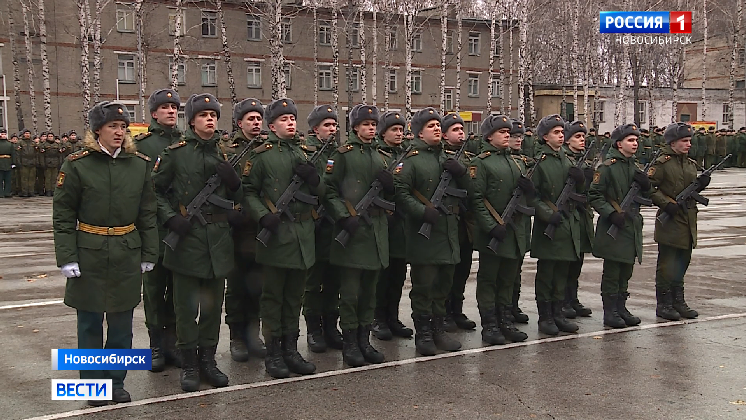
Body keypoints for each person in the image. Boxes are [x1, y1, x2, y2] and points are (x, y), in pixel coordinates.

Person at [53, 101, 158, 406]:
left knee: (121, 325)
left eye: (123, 127)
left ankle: (116, 382)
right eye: (113, 126)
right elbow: (63, 214)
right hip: (89, 252)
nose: (119, 132)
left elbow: (147, 212)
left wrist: (149, 251)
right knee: (88, 324)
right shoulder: (77, 164)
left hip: (126, 250)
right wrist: (67, 257)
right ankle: (91, 387)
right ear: (97, 129)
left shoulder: (138, 164)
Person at [152, 93, 239, 392]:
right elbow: (154, 192)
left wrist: (234, 184)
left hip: (217, 241)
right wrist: (170, 218)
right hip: (187, 240)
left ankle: (208, 361)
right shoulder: (175, 152)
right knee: (186, 308)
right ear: (191, 120)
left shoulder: (226, 154)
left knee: (213, 308)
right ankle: (189, 363)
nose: (210, 119)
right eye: (203, 115)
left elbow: (238, 200)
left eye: (213, 115)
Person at [243, 98, 321, 378]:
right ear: (271, 125)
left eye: (292, 119)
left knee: (294, 298)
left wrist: (314, 179)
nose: (290, 123)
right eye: (284, 120)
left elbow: (323, 190)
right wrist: (263, 215)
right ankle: (274, 354)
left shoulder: (306, 153)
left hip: (302, 235)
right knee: (274, 298)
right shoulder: (262, 156)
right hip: (276, 236)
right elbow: (248, 191)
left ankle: (291, 349)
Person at [394, 107, 468, 356]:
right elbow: (400, 193)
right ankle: (423, 334)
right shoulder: (412, 160)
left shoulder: (448, 158)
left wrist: (462, 173)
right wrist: (421, 212)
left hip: (448, 233)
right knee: (424, 287)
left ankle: (438, 329)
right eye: (431, 126)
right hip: (423, 235)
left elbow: (472, 191)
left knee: (444, 285)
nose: (437, 128)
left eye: (438, 125)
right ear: (418, 132)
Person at [323, 104, 388, 367]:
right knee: (350, 293)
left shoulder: (381, 156)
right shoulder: (342, 155)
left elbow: (390, 195)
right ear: (355, 127)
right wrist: (343, 215)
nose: (371, 128)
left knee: (369, 292)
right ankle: (350, 342)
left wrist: (390, 186)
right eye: (366, 124)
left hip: (375, 233)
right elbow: (328, 190)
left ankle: (364, 339)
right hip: (352, 233)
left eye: (374, 124)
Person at [469, 114, 532, 345]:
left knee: (508, 279)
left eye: (509, 132)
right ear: (488, 136)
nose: (507, 135)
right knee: (489, 280)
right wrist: (490, 226)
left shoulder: (517, 161)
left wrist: (529, 190)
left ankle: (505, 320)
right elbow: (476, 199)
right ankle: (490, 325)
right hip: (493, 233)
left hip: (514, 232)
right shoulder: (481, 163)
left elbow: (526, 199)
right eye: (502, 132)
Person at [136, 88, 184, 372]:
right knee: (154, 290)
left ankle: (173, 343)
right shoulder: (142, 145)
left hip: (183, 228)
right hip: (153, 229)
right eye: (164, 107)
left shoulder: (185, 142)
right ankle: (155, 345)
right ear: (154, 113)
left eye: (174, 108)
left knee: (178, 289)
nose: (170, 111)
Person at [589, 124, 651, 328]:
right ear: (619, 143)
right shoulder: (607, 167)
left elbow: (645, 197)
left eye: (636, 140)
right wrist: (611, 213)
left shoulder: (635, 168)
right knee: (613, 271)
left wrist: (646, 186)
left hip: (631, 226)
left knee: (626, 270)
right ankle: (610, 312)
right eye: (630, 140)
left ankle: (621, 307)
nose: (635, 144)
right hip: (613, 227)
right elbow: (595, 195)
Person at [530, 114, 585, 336]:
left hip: (567, 224)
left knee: (562, 272)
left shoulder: (568, 161)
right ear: (545, 137)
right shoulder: (539, 163)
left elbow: (580, 195)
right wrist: (545, 213)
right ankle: (546, 316)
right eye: (556, 133)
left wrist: (581, 180)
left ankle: (558, 313)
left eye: (562, 132)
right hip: (549, 225)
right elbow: (530, 196)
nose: (561, 136)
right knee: (547, 273)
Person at [223, 98, 268, 363]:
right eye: (250, 119)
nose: (255, 123)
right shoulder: (227, 151)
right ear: (240, 123)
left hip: (260, 227)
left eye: (258, 118)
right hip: (235, 228)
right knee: (237, 286)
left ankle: (254, 334)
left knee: (257, 285)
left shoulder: (266, 149)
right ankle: (236, 337)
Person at [649, 122, 707, 321]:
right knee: (667, 264)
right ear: (672, 142)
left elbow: (688, 188)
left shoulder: (690, 164)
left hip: (688, 219)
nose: (688, 144)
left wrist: (700, 186)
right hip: (670, 219)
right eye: (684, 141)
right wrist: (666, 204)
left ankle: (678, 301)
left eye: (689, 141)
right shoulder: (662, 164)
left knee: (683, 261)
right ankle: (664, 304)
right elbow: (649, 188)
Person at [302, 104, 344, 353]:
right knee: (312, 282)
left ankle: (331, 326)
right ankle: (313, 330)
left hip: (334, 225)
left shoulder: (339, 154)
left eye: (334, 125)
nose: (332, 129)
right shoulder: (306, 153)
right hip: (314, 224)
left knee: (333, 280)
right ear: (315, 128)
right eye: (327, 125)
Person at [372, 111, 413, 341]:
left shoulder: (407, 154)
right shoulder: (378, 154)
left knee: (398, 274)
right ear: (383, 132)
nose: (399, 134)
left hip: (401, 222)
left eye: (401, 129)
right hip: (383, 220)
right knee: (382, 275)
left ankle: (393, 317)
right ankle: (378, 319)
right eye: (394, 130)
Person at [441, 113, 477, 332]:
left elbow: (475, 187)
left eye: (461, 129)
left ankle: (457, 310)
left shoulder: (470, 158)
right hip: (448, 221)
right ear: (444, 134)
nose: (461, 133)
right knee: (448, 270)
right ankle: (444, 312)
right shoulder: (441, 157)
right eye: (455, 130)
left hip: (466, 223)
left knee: (463, 269)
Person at [561, 121, 594, 319]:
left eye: (583, 137)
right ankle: (564, 300)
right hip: (567, 215)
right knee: (567, 262)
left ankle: (573, 298)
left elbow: (590, 193)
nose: (582, 141)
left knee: (578, 261)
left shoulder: (584, 162)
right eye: (578, 137)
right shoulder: (564, 160)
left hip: (582, 215)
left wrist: (587, 181)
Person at [507, 119, 532, 324]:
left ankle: (513, 305)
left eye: (520, 136)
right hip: (504, 221)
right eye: (514, 136)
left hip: (520, 223)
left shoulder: (524, 161)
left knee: (517, 268)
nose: (518, 139)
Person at [19, 130, 36, 197]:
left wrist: (35, 161)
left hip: (32, 161)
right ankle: (25, 192)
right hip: (24, 162)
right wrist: (19, 162)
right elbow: (18, 154)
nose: (27, 135)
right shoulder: (20, 142)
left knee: (32, 178)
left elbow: (36, 153)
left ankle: (31, 191)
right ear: (23, 134)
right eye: (26, 133)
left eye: (28, 133)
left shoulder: (33, 143)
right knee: (24, 178)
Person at [0, 129, 14, 198]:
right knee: (0, 179)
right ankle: (1, 193)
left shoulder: (10, 144)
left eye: (4, 134)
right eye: (2, 134)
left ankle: (7, 192)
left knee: (8, 179)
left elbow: (13, 154)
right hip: (0, 162)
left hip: (8, 162)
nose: (3, 135)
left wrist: (13, 163)